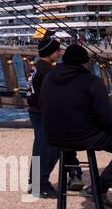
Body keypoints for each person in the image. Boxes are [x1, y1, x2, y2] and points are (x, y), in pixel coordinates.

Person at [40, 43, 112, 209]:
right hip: (85, 137)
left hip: (53, 137)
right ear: (84, 62)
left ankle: (78, 178)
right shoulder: (91, 81)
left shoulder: (49, 77)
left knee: (76, 138)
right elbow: (108, 121)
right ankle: (99, 188)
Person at [25, 36, 83, 198]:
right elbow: (49, 95)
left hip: (34, 111)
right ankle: (40, 185)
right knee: (48, 149)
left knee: (40, 148)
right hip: (44, 113)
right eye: (57, 51)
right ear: (50, 52)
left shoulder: (37, 67)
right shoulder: (48, 71)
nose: (60, 53)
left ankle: (35, 182)